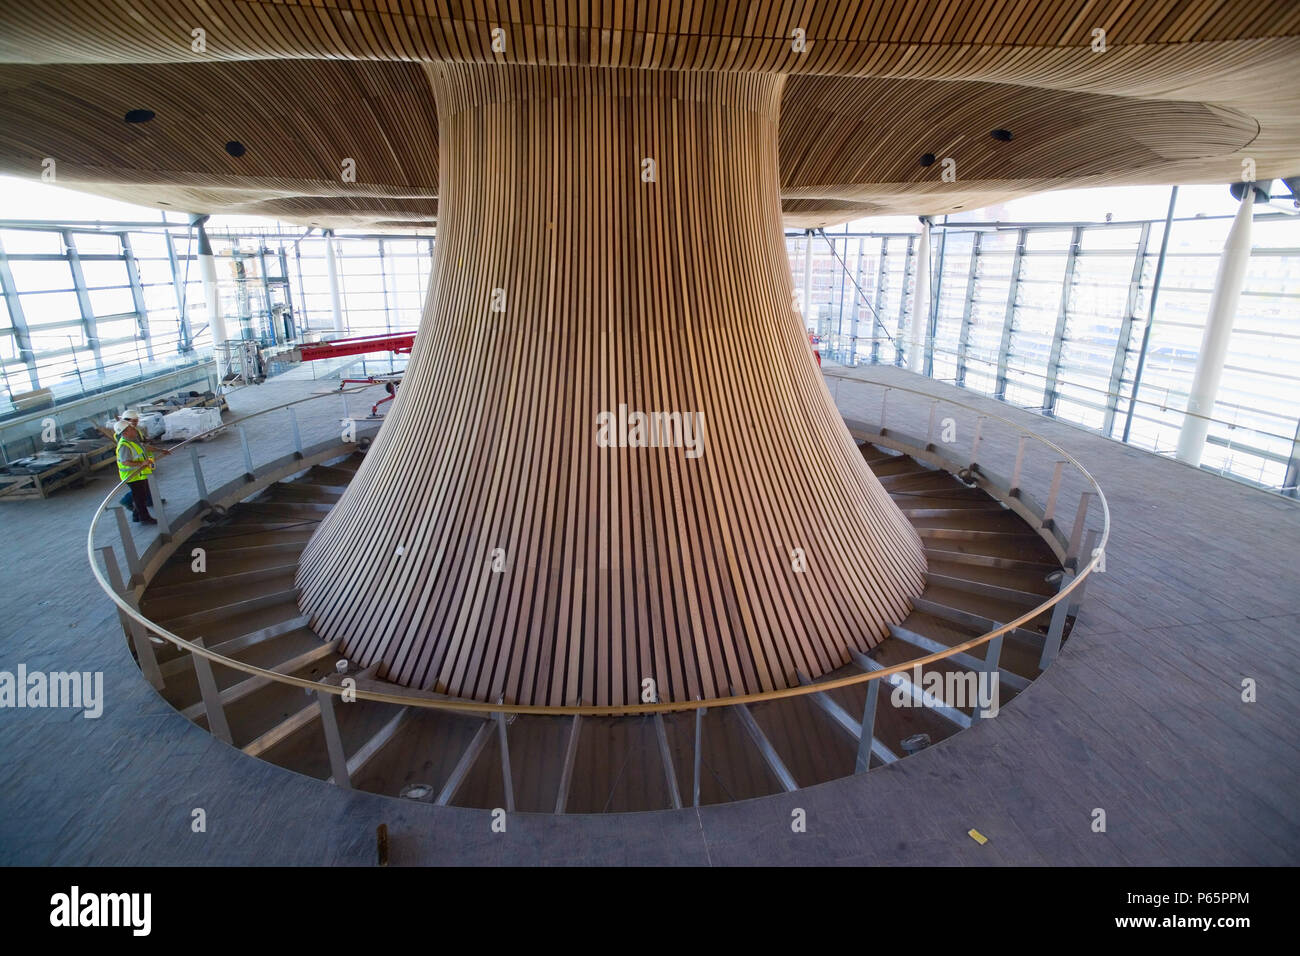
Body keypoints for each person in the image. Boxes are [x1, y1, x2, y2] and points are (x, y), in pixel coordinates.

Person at [114, 410, 157, 524]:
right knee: (139, 498)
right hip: (132, 475)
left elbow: (142, 447)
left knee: (141, 496)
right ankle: (144, 517)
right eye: (131, 428)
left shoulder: (132, 440)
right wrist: (141, 464)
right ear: (125, 433)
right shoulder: (124, 445)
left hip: (139, 473)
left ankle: (137, 515)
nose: (134, 429)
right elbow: (125, 462)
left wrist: (159, 450)